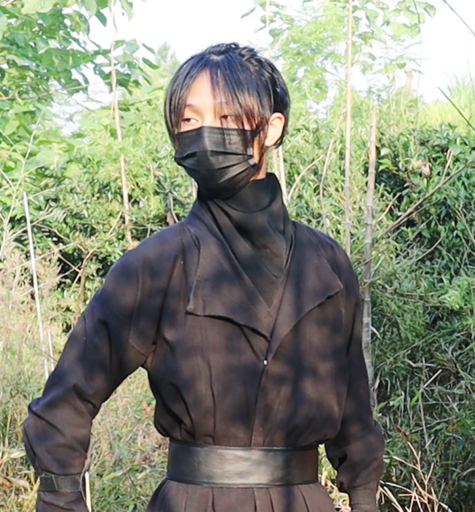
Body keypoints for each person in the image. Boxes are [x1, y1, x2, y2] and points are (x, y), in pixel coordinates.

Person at [23, 43, 385, 512]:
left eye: (226, 116)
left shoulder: (327, 265)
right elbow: (66, 401)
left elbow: (354, 412)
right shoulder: (155, 266)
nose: (205, 132)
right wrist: (61, 499)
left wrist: (364, 499)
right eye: (189, 119)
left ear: (271, 127)